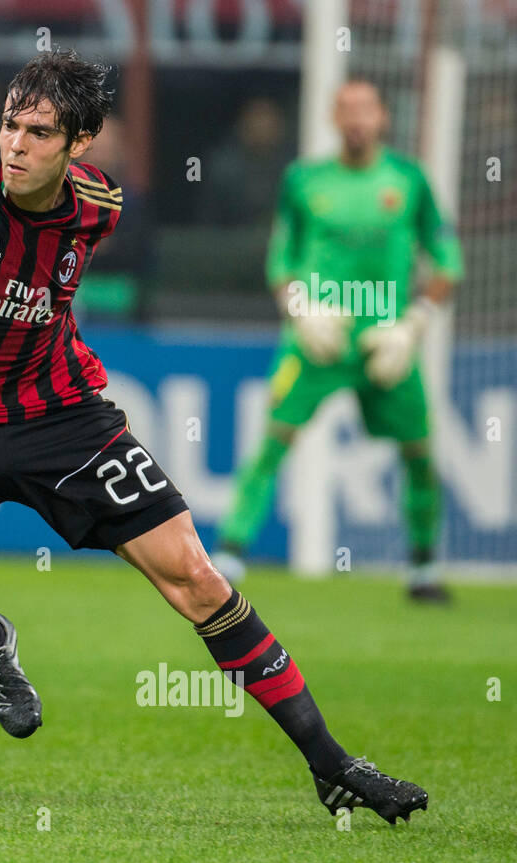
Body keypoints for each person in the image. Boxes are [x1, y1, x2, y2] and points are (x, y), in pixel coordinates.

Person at [0, 51, 428, 824]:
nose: (16, 146)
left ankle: (333, 764)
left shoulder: (99, 204)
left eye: (38, 132)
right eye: (9, 126)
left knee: (196, 576)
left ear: (81, 144)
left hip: (61, 418)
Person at [212, 80, 464, 602]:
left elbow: (448, 262)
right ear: (333, 117)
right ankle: (230, 555)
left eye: (366, 109)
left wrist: (412, 324)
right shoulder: (304, 180)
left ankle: (422, 566)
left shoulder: (409, 180)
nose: (356, 119)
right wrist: (302, 312)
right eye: (347, 109)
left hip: (387, 341)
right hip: (317, 337)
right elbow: (281, 261)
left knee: (418, 450)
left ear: (383, 118)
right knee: (273, 442)